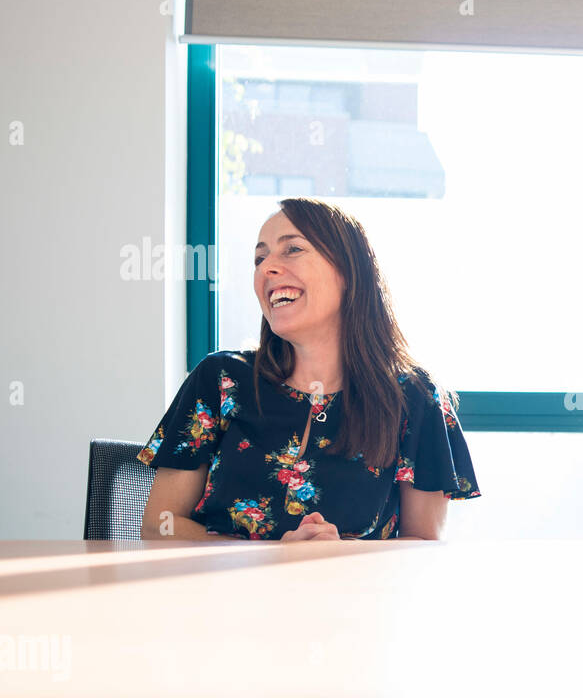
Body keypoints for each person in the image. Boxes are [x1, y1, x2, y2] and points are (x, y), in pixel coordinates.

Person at [138, 198, 479, 541]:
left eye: (292, 250)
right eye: (259, 258)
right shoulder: (220, 379)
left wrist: (341, 557)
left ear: (348, 272)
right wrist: (264, 557)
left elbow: (423, 547)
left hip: (355, 594)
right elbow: (158, 525)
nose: (266, 268)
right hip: (224, 592)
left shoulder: (415, 398)